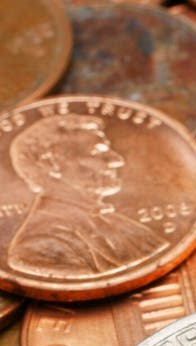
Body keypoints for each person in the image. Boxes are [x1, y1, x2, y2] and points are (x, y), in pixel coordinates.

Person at [8, 112, 166, 277]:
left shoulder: (120, 223)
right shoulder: (37, 248)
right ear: (51, 163)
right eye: (97, 151)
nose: (117, 159)